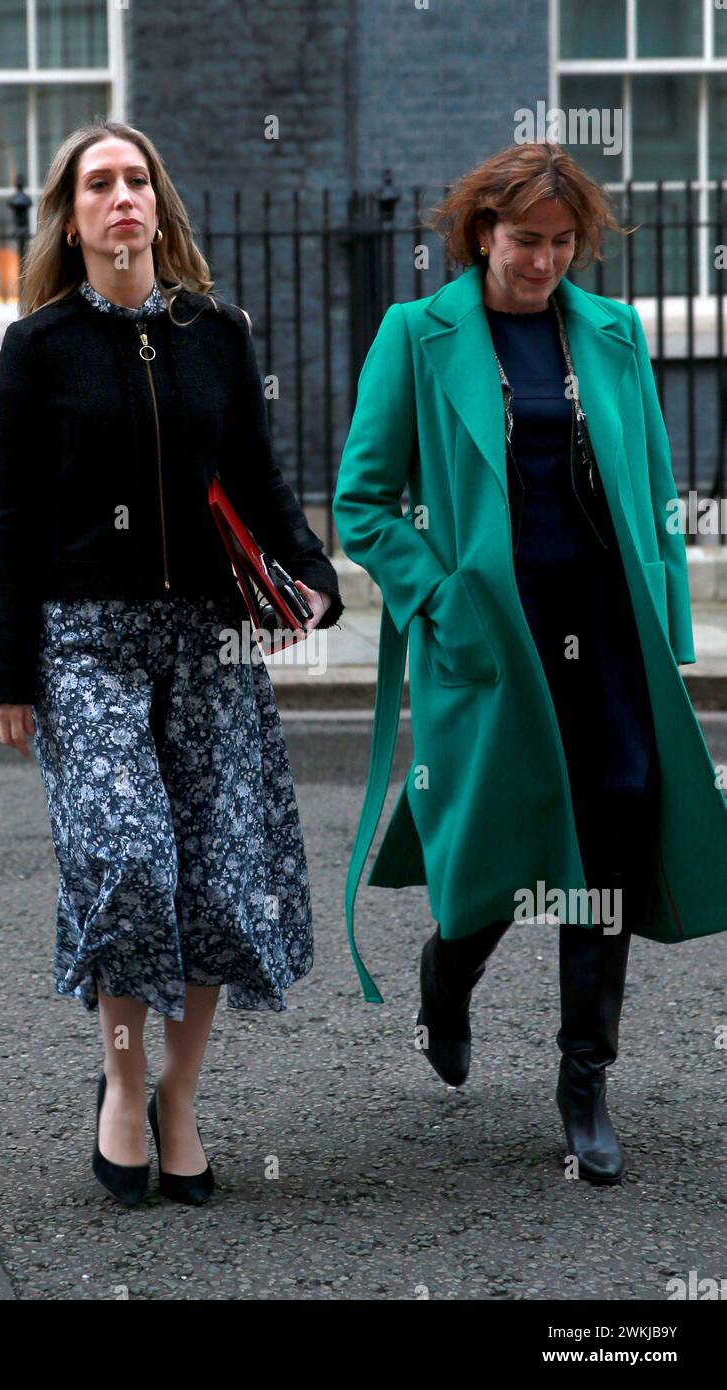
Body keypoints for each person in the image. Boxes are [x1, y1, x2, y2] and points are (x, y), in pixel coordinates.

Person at [333, 141, 727, 1186]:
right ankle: (445, 969)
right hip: (491, 644)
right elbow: (361, 503)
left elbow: (648, 493)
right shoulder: (416, 336)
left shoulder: (611, 332)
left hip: (605, 639)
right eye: (524, 242)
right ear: (478, 234)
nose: (543, 262)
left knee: (606, 841)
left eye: (560, 244)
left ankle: (582, 1082)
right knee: (502, 845)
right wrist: (440, 598)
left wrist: (670, 632)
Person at [0, 119, 344, 1207]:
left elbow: (256, 475)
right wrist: (6, 671)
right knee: (128, 857)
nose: (121, 196)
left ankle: (174, 1099)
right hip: (85, 637)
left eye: (137, 179)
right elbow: (7, 517)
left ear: (158, 204)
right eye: (99, 183)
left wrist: (310, 570)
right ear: (73, 215)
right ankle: (121, 1090)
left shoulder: (214, 330)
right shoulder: (36, 349)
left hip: (207, 640)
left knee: (220, 877)